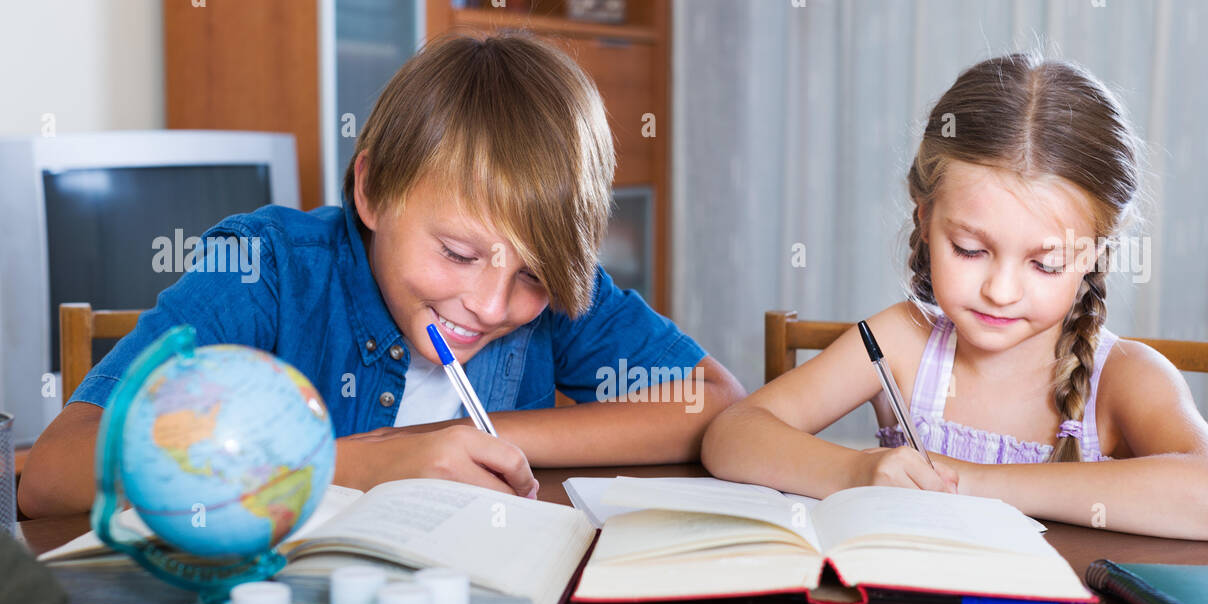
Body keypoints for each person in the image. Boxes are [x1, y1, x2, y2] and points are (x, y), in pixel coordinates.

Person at [20, 32, 744, 518]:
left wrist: (494, 434)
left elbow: (711, 401)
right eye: (459, 254)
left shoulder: (547, 293)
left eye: (532, 277)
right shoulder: (267, 271)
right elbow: (53, 471)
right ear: (371, 191)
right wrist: (354, 464)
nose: (492, 304)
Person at [702, 53, 1208, 541]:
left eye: (1045, 262)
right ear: (925, 217)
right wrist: (855, 472)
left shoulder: (1125, 377)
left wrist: (974, 484)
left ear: (1093, 254)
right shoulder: (902, 341)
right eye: (969, 249)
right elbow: (732, 435)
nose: (1000, 290)